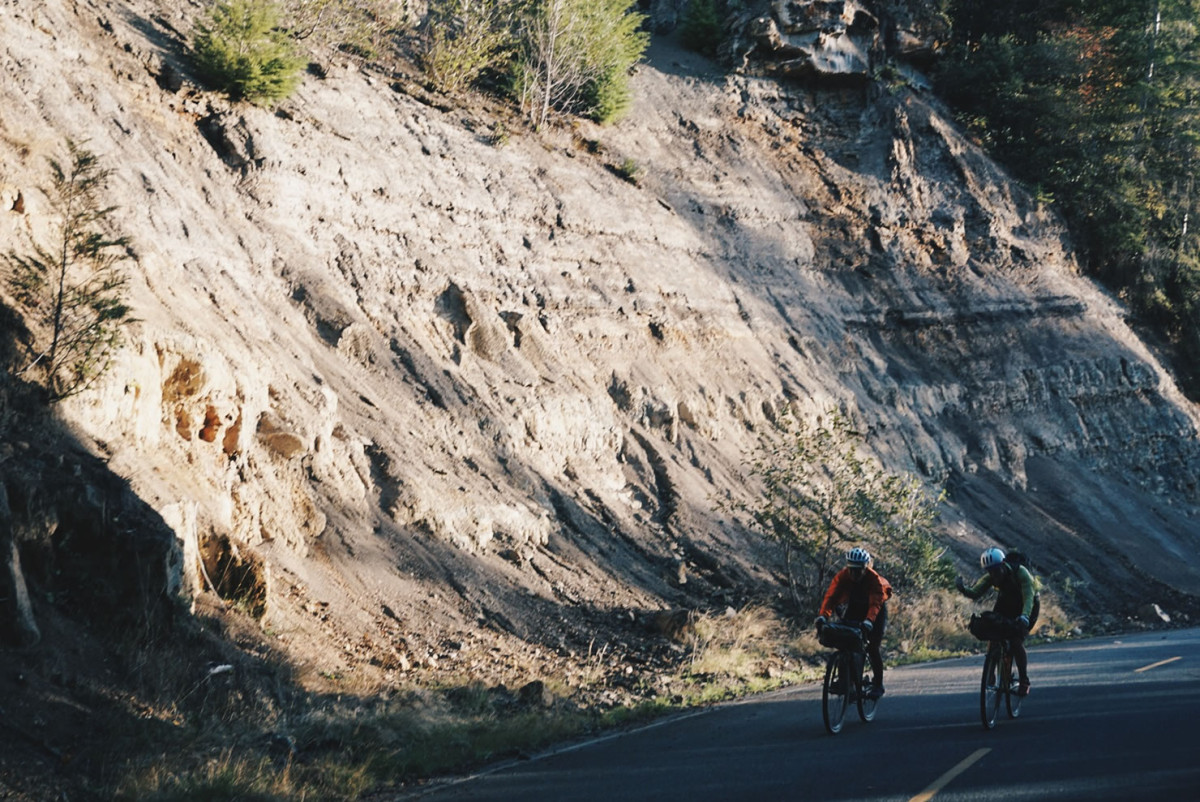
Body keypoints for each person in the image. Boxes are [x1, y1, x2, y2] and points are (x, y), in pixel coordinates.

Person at [956, 547, 1040, 696]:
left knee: (1015, 641)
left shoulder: (1021, 573)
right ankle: (991, 673)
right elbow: (976, 592)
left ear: (1003, 564)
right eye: (990, 572)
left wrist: (1025, 616)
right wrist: (963, 589)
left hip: (1028, 606)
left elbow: (1028, 598)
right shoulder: (991, 576)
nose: (993, 575)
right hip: (1007, 602)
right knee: (993, 633)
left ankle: (1024, 680)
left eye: (996, 571)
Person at [815, 547, 892, 699]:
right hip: (856, 607)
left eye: (859, 570)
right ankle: (846, 681)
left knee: (872, 647)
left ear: (866, 567)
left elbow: (875, 604)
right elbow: (831, 597)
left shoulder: (874, 580)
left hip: (875, 611)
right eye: (851, 570)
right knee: (845, 640)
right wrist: (823, 616)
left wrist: (869, 621)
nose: (854, 574)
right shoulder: (842, 576)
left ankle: (878, 684)